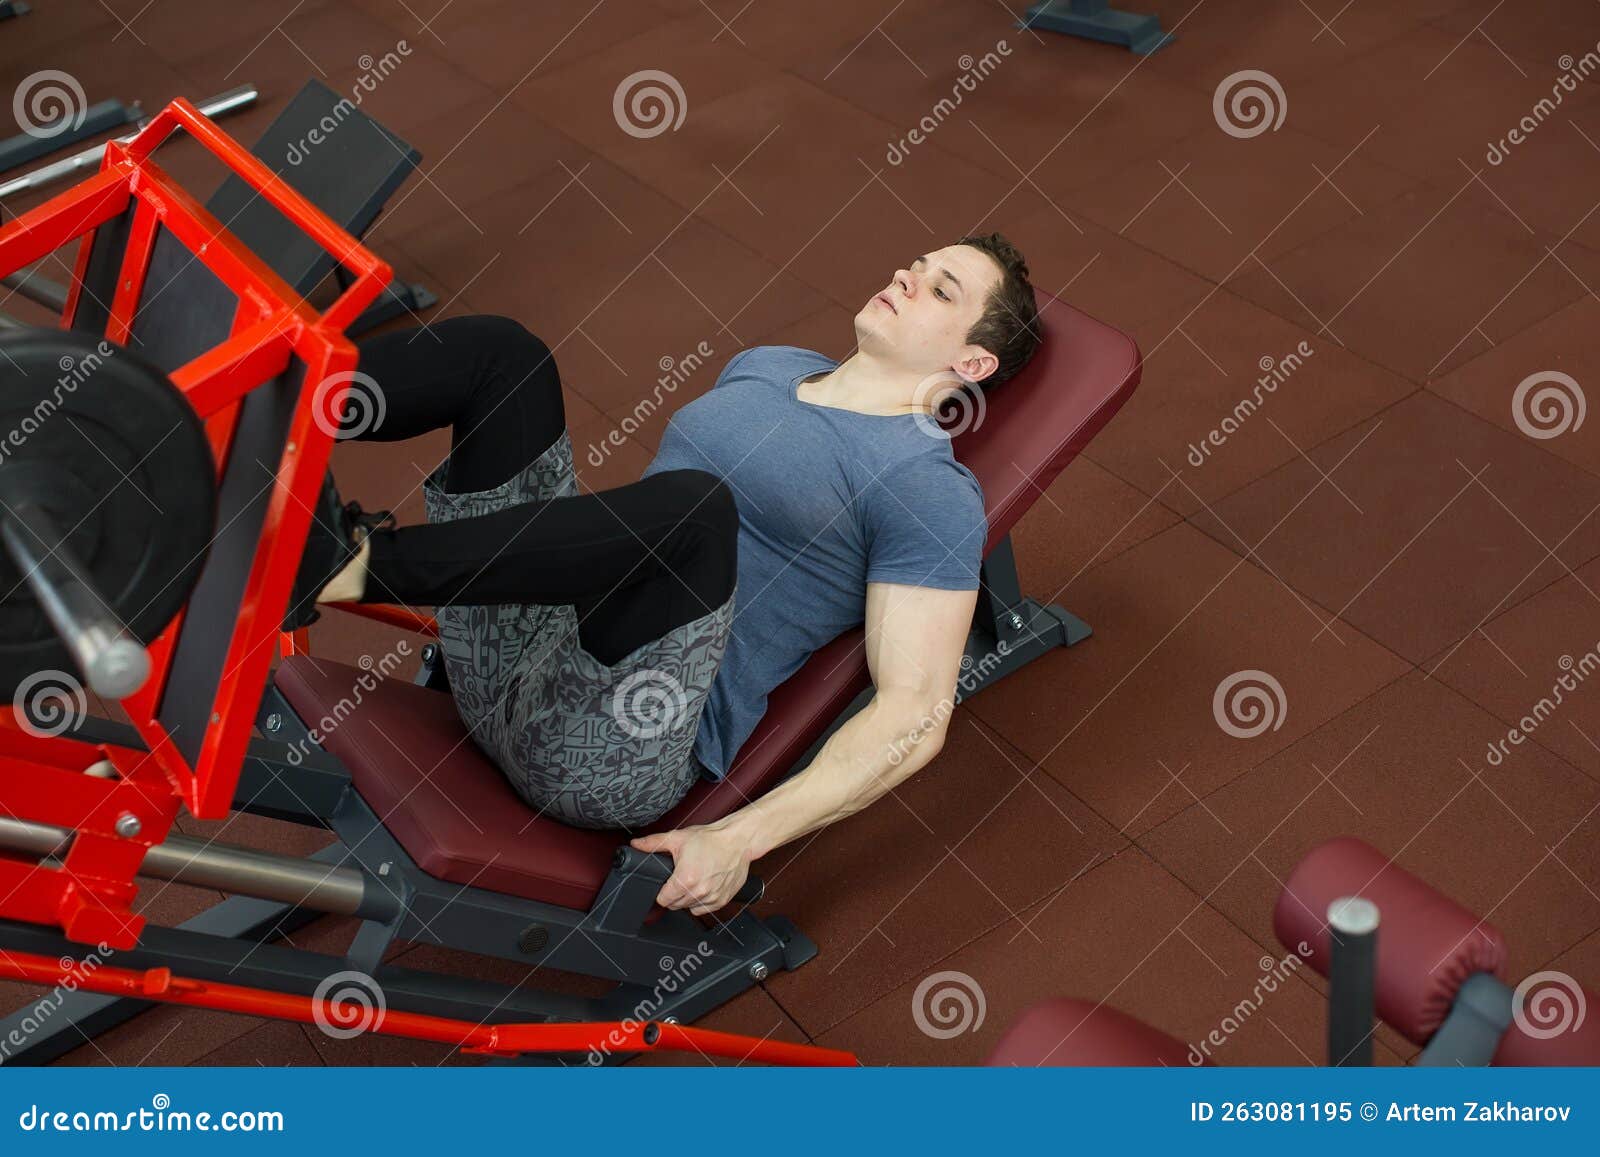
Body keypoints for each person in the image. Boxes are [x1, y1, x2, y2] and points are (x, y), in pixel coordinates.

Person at [288, 232, 1042, 914]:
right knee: (505, 356)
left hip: (604, 747)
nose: (907, 277)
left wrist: (739, 837)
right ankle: (268, 409)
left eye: (941, 290)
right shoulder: (770, 366)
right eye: (916, 264)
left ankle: (345, 568)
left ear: (972, 363)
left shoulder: (924, 486)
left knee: (693, 513)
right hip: (501, 655)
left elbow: (915, 712)